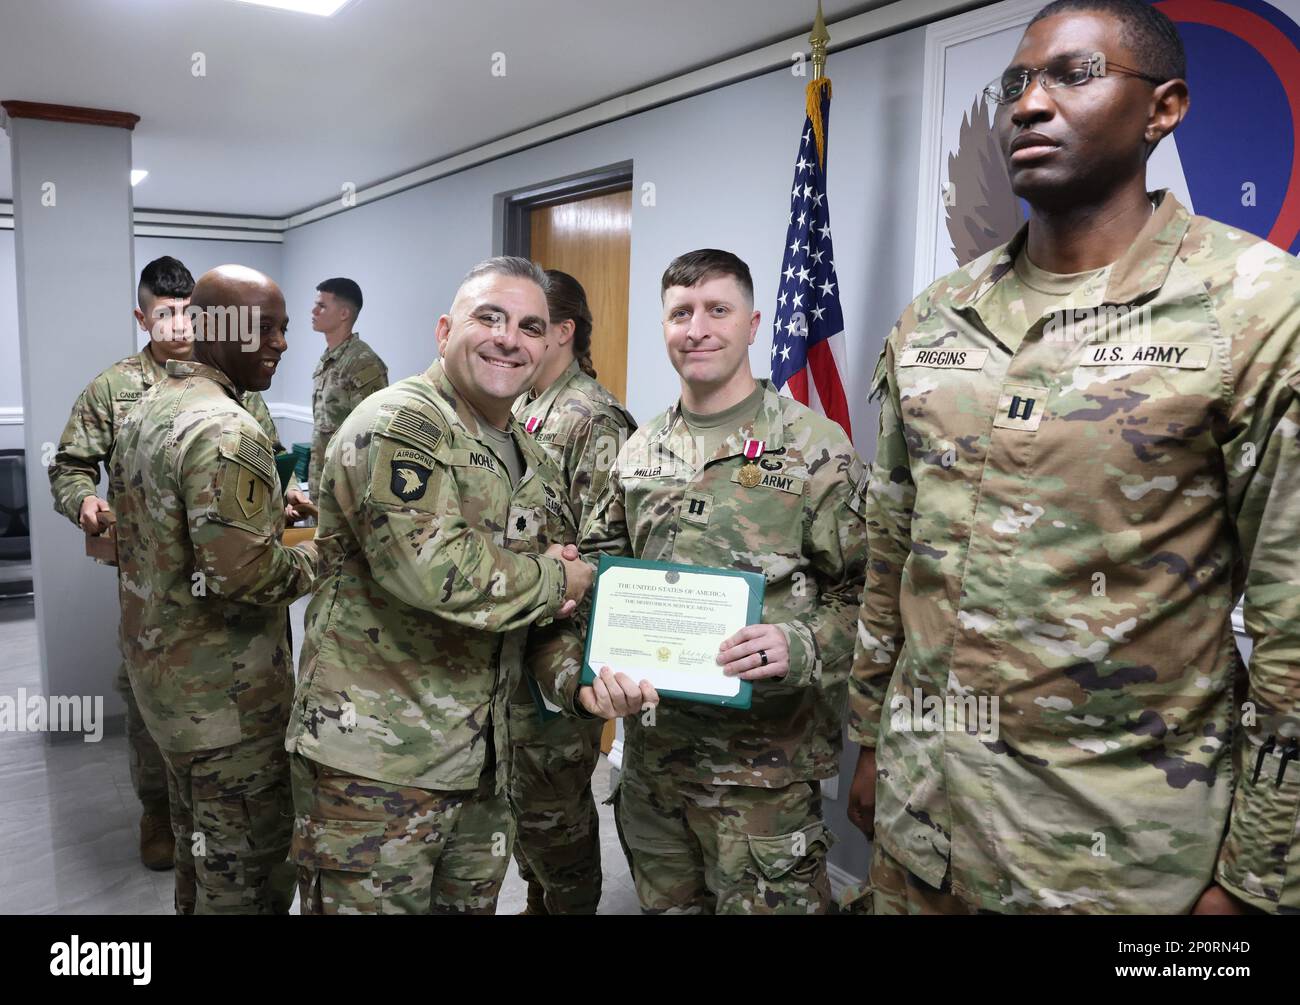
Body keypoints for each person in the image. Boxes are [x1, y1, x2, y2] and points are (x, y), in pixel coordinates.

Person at [847, 0, 1300, 915]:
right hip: (921, 826)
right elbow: (894, 551)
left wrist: (1260, 879)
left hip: (1117, 865)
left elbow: (1294, 624)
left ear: (1163, 109)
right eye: (1017, 83)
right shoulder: (937, 317)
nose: (1028, 104)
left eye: (1072, 75)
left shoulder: (1253, 308)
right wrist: (871, 739)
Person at [284, 256, 648, 915]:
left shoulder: (527, 453)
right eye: (490, 317)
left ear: (549, 344)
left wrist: (580, 683)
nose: (510, 337)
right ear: (445, 329)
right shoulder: (399, 425)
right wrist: (560, 575)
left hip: (485, 767)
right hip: (379, 768)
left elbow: (542, 613)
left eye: (530, 326)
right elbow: (434, 570)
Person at [535, 249, 868, 914]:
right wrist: (582, 673)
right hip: (654, 764)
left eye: (718, 309)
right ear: (664, 326)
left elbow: (870, 594)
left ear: (753, 324)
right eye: (680, 313)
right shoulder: (640, 450)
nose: (698, 328)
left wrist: (798, 644)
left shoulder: (814, 447)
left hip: (763, 779)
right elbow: (596, 582)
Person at [47, 256, 278, 870]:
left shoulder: (234, 388)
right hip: (154, 585)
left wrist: (292, 490)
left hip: (223, 595)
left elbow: (266, 466)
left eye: (187, 314)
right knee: (153, 707)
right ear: (142, 318)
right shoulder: (117, 388)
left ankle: (201, 829)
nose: (178, 327)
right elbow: (69, 465)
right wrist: (85, 503)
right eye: (164, 315)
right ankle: (160, 813)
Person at [109, 265, 319, 913]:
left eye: (285, 327)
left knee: (196, 854)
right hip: (228, 710)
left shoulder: (149, 404)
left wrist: (253, 516)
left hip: (167, 689)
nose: (282, 342)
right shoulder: (230, 428)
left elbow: (172, 526)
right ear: (216, 326)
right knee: (247, 878)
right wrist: (330, 553)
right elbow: (245, 576)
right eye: (265, 328)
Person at [509, 269, 637, 915]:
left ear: (564, 330)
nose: (511, 338)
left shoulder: (591, 416)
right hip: (512, 636)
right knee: (522, 807)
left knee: (554, 814)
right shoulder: (520, 407)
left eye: (530, 324)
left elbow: (611, 550)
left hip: (559, 649)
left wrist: (549, 579)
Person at [285, 276, 387, 518]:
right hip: (323, 480)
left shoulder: (363, 363)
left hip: (347, 490)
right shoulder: (329, 359)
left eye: (321, 306)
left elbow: (372, 435)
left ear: (343, 314)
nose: (313, 311)